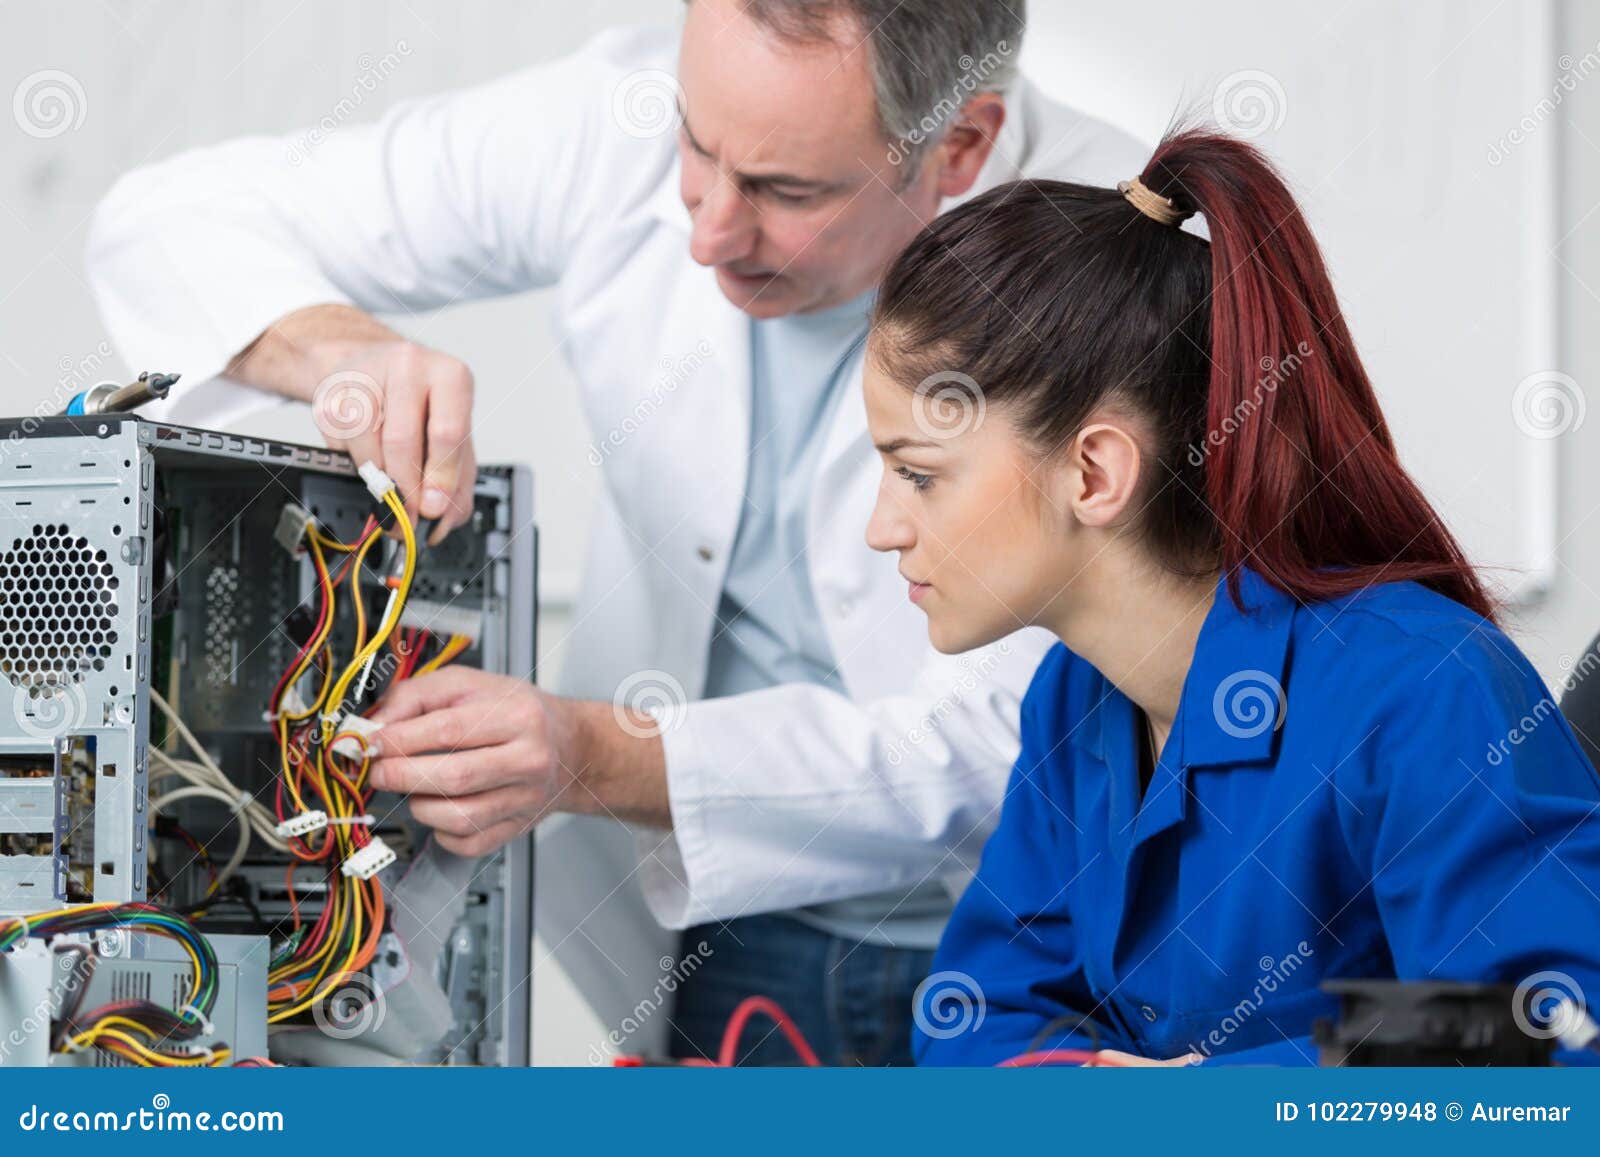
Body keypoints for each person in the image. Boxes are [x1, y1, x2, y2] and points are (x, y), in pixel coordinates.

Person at [85, 1, 1147, 1062]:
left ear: (957, 145)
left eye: (786, 190)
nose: (707, 229)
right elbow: (168, 220)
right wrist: (339, 351)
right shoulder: (612, 119)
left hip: (1014, 941)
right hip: (701, 919)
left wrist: (598, 753)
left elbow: (999, 745)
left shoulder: (1124, 258)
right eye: (696, 143)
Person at [859, 128, 1600, 1066]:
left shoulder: (1423, 694)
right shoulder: (1074, 696)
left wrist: (1210, 1098)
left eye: (918, 474)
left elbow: (1553, 1033)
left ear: (1093, 472)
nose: (882, 527)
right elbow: (981, 1009)